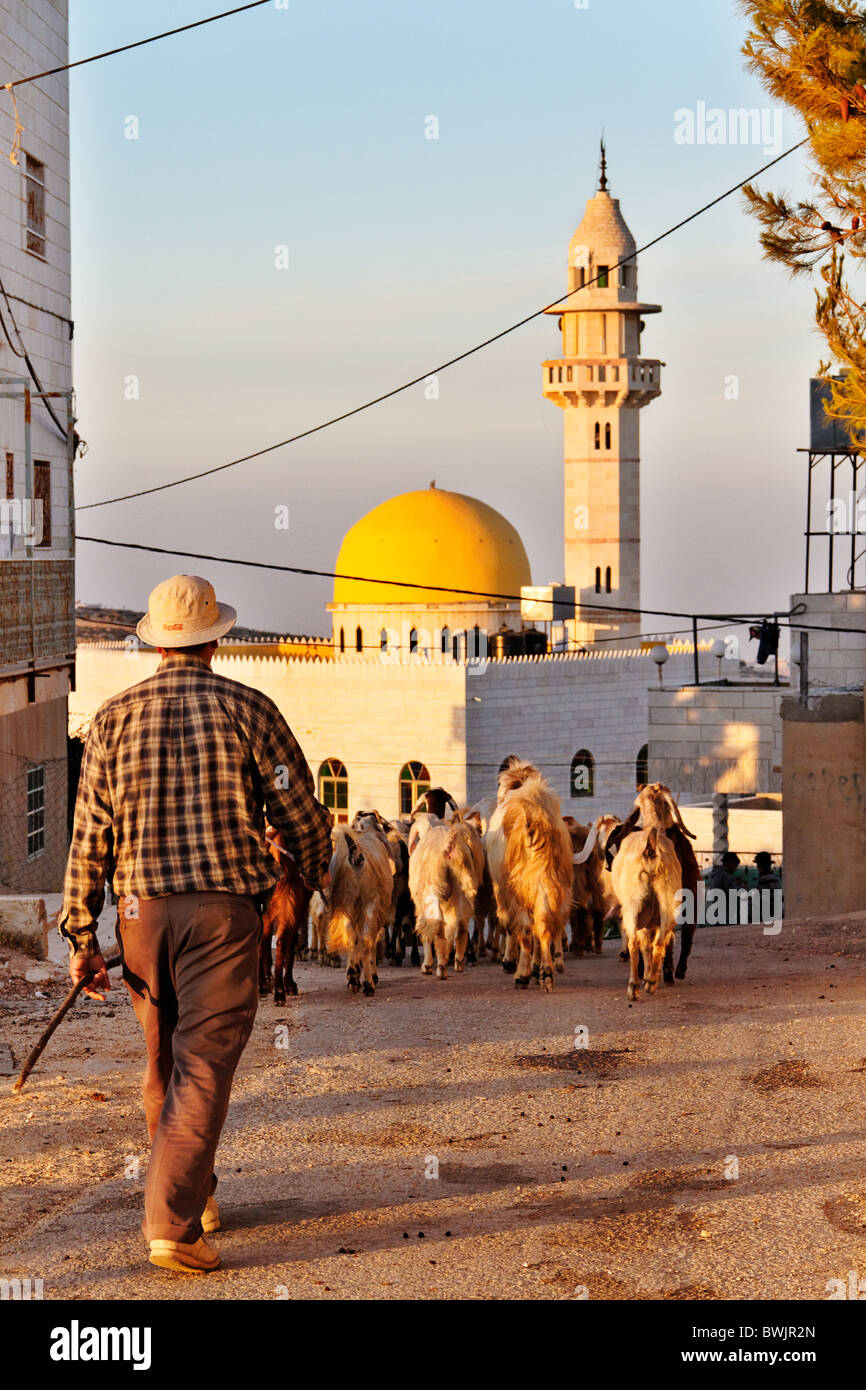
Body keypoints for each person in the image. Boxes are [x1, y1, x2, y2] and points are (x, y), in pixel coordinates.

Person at [59, 575, 333, 1275]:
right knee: (204, 1064)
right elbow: (298, 812)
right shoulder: (250, 709)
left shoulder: (112, 719)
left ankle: (197, 1193)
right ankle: (173, 1227)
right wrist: (312, 867)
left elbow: (90, 837)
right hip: (223, 916)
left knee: (162, 1062)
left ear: (156, 641)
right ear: (215, 640)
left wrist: (82, 939)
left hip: (139, 915)